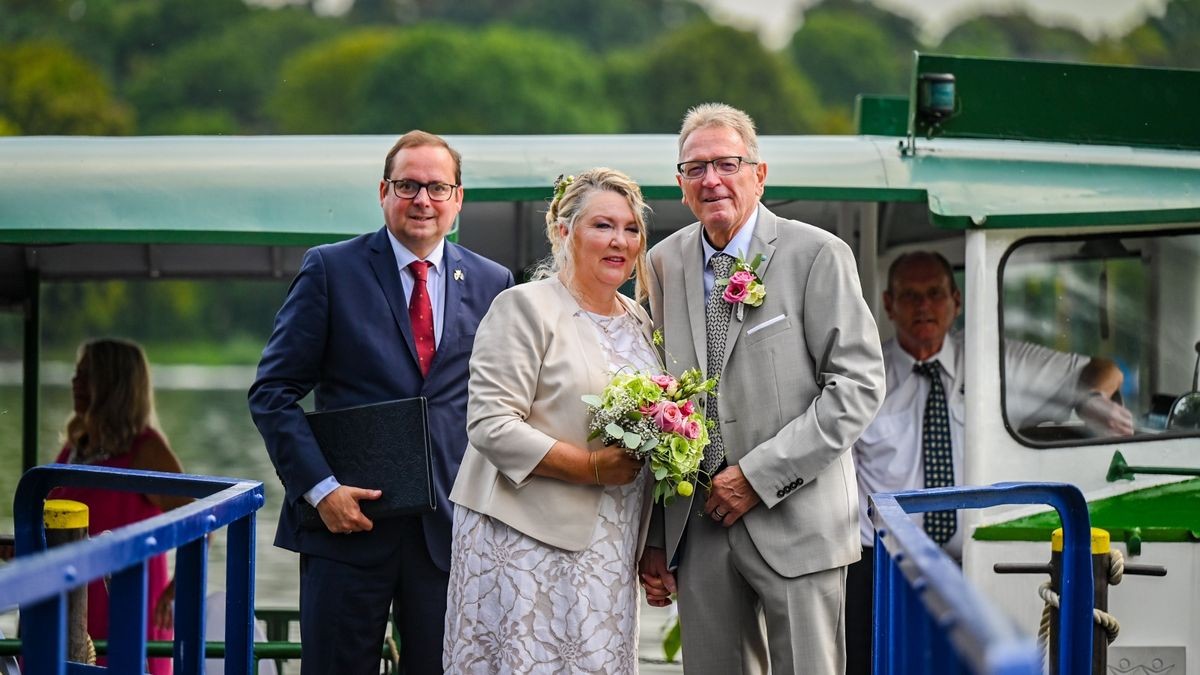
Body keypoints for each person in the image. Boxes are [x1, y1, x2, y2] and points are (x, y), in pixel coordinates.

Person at [248, 130, 514, 674]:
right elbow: (271, 393)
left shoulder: (494, 282)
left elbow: (505, 406)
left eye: (438, 188)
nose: (423, 200)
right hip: (347, 525)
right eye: (408, 185)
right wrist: (320, 491)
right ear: (383, 191)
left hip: (450, 532)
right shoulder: (330, 269)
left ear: (458, 198)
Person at [638, 102, 886, 674]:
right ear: (680, 184)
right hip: (698, 530)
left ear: (759, 172)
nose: (711, 180)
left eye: (726, 163)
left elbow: (857, 387)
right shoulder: (662, 265)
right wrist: (656, 535)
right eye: (695, 169)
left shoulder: (817, 254)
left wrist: (756, 476)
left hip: (799, 522)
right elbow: (654, 403)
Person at [845, 250, 1134, 675]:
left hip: (978, 565)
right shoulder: (864, 373)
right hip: (882, 572)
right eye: (909, 295)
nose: (923, 306)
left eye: (934, 294)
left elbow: (1103, 370)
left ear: (956, 301)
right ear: (888, 304)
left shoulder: (995, 364)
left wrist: (1089, 401)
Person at [444, 169, 654, 673]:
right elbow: (491, 424)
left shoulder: (641, 320)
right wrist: (590, 467)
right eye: (603, 226)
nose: (619, 242)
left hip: (611, 542)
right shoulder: (524, 306)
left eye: (630, 229)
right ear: (564, 231)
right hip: (522, 539)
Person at [49, 338, 190, 675]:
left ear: (112, 386)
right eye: (76, 374)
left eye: (86, 376)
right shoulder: (75, 446)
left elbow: (199, 522)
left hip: (125, 610)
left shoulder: (145, 450)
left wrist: (174, 591)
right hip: (70, 608)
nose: (74, 383)